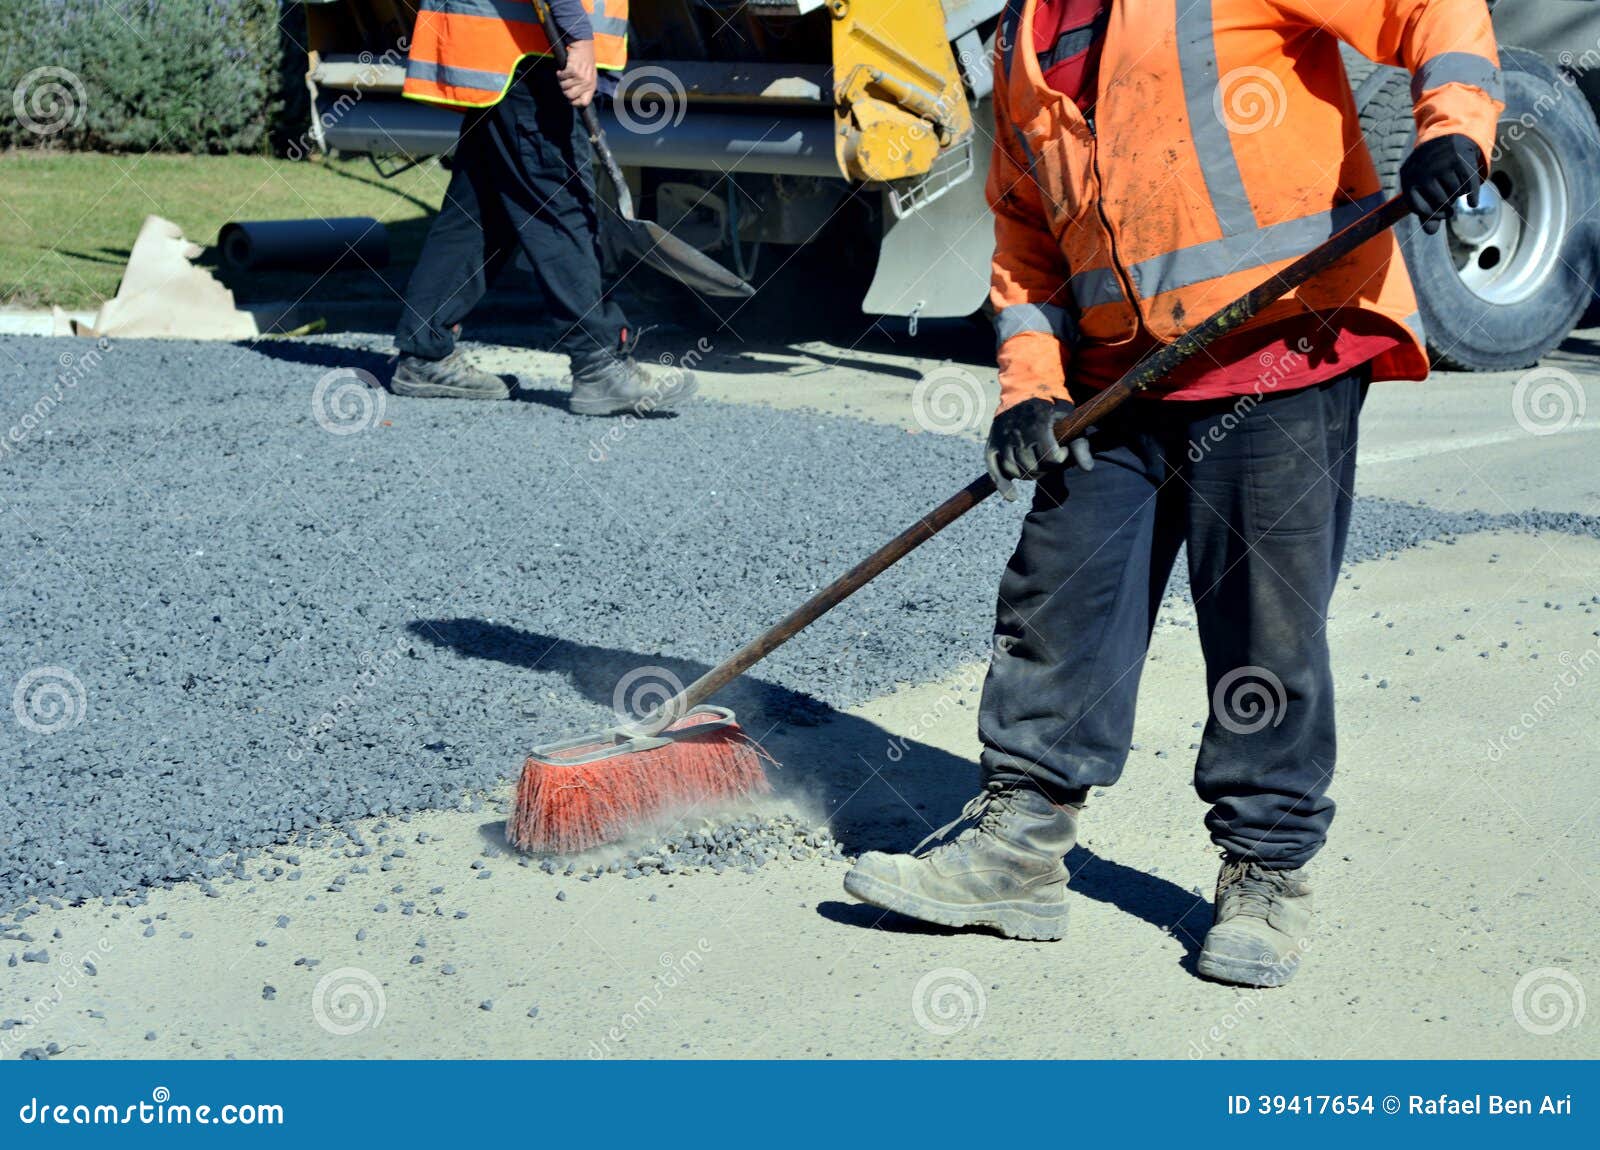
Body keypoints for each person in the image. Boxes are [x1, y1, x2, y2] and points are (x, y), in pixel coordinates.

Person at [843, 0, 1503, 987]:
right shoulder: (1023, 37)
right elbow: (1024, 232)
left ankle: (1265, 874)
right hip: (1119, 378)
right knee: (1057, 591)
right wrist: (1031, 389)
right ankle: (1017, 847)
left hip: (1283, 345)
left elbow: (1432, 10)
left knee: (1261, 624)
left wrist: (1454, 131)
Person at [393, 0, 695, 415]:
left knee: (482, 209)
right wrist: (578, 36)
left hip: (508, 49)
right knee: (562, 205)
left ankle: (424, 354)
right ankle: (599, 363)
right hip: (526, 51)